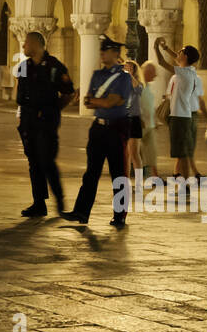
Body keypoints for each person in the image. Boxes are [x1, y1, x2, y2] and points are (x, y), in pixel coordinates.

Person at [64, 36, 132, 228]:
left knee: (118, 174)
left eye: (106, 50)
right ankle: (81, 212)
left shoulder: (123, 77)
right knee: (91, 173)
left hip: (116, 128)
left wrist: (97, 101)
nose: (102, 53)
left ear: (116, 54)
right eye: (102, 50)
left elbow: (112, 101)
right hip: (98, 128)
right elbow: (87, 100)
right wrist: (99, 101)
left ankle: (120, 216)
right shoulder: (97, 75)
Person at [15, 30, 75, 217]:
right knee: (33, 162)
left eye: (26, 42)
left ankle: (60, 200)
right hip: (28, 121)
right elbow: (20, 96)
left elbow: (69, 93)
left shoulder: (54, 66)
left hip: (46, 123)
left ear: (36, 44)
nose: (23, 46)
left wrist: (54, 110)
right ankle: (39, 203)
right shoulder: (24, 66)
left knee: (47, 161)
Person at [154, 38, 207, 179]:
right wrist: (166, 47)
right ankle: (179, 177)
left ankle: (184, 184)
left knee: (183, 154)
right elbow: (178, 58)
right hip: (185, 116)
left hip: (179, 118)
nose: (177, 54)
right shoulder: (191, 72)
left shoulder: (182, 73)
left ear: (185, 56)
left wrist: (156, 47)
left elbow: (162, 62)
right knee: (182, 153)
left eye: (180, 52)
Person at [122, 59, 145, 180]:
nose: (126, 69)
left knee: (134, 153)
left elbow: (139, 90)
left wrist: (129, 75)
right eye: (125, 67)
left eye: (129, 68)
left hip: (134, 120)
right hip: (123, 119)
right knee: (125, 155)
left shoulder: (138, 83)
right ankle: (125, 181)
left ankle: (139, 181)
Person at [138, 61, 160, 179]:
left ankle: (155, 177)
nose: (155, 76)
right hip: (139, 124)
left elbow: (150, 105)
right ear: (146, 72)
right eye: (153, 73)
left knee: (152, 152)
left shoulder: (148, 87)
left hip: (149, 125)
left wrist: (155, 120)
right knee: (135, 153)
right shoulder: (138, 85)